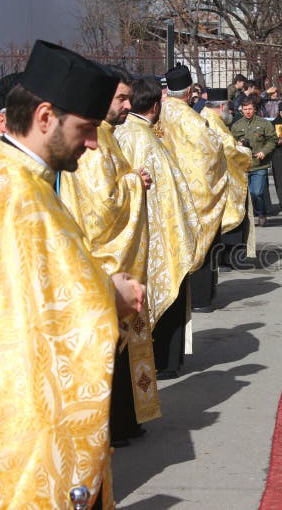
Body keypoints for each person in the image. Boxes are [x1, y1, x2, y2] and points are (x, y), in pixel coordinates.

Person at [0, 39, 144, 508]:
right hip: (14, 406)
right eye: (86, 129)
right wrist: (114, 297)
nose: (93, 143)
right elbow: (60, 312)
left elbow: (25, 286)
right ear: (45, 117)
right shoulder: (22, 195)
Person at [58, 65, 160, 447]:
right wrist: (136, 182)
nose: (128, 105)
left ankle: (124, 421)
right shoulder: (95, 141)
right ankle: (114, 424)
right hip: (104, 259)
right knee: (110, 344)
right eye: (121, 98)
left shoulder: (107, 136)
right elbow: (102, 209)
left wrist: (131, 178)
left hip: (112, 258)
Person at [114, 76, 204, 381]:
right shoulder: (148, 141)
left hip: (129, 235)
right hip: (156, 234)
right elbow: (170, 196)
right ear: (155, 106)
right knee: (168, 286)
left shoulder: (119, 134)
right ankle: (166, 361)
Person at [158, 64, 228, 313]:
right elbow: (211, 150)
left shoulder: (160, 113)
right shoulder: (191, 118)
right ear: (189, 93)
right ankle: (201, 298)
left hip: (168, 188)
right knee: (202, 242)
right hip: (193, 191)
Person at [202, 88, 256, 266]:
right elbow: (228, 149)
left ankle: (223, 257)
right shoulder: (214, 121)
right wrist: (246, 152)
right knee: (233, 214)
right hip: (225, 178)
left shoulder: (205, 116)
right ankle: (233, 258)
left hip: (213, 176)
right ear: (222, 106)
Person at [231, 96, 277, 226]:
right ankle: (249, 217)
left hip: (259, 165)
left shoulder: (264, 124)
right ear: (242, 110)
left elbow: (272, 139)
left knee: (256, 192)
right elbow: (230, 142)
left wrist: (264, 151)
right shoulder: (236, 125)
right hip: (243, 166)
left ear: (254, 109)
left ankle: (261, 213)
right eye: (245, 109)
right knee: (246, 194)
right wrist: (237, 144)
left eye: (250, 109)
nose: (247, 111)